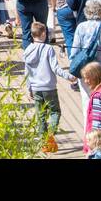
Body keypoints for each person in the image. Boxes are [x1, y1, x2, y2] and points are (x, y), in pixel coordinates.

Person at [25, 20, 75, 153]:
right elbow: (55, 68)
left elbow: (27, 72)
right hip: (49, 87)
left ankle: (44, 143)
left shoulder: (28, 49)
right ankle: (50, 135)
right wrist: (69, 76)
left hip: (35, 88)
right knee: (55, 112)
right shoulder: (48, 49)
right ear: (43, 34)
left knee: (40, 115)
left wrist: (28, 88)